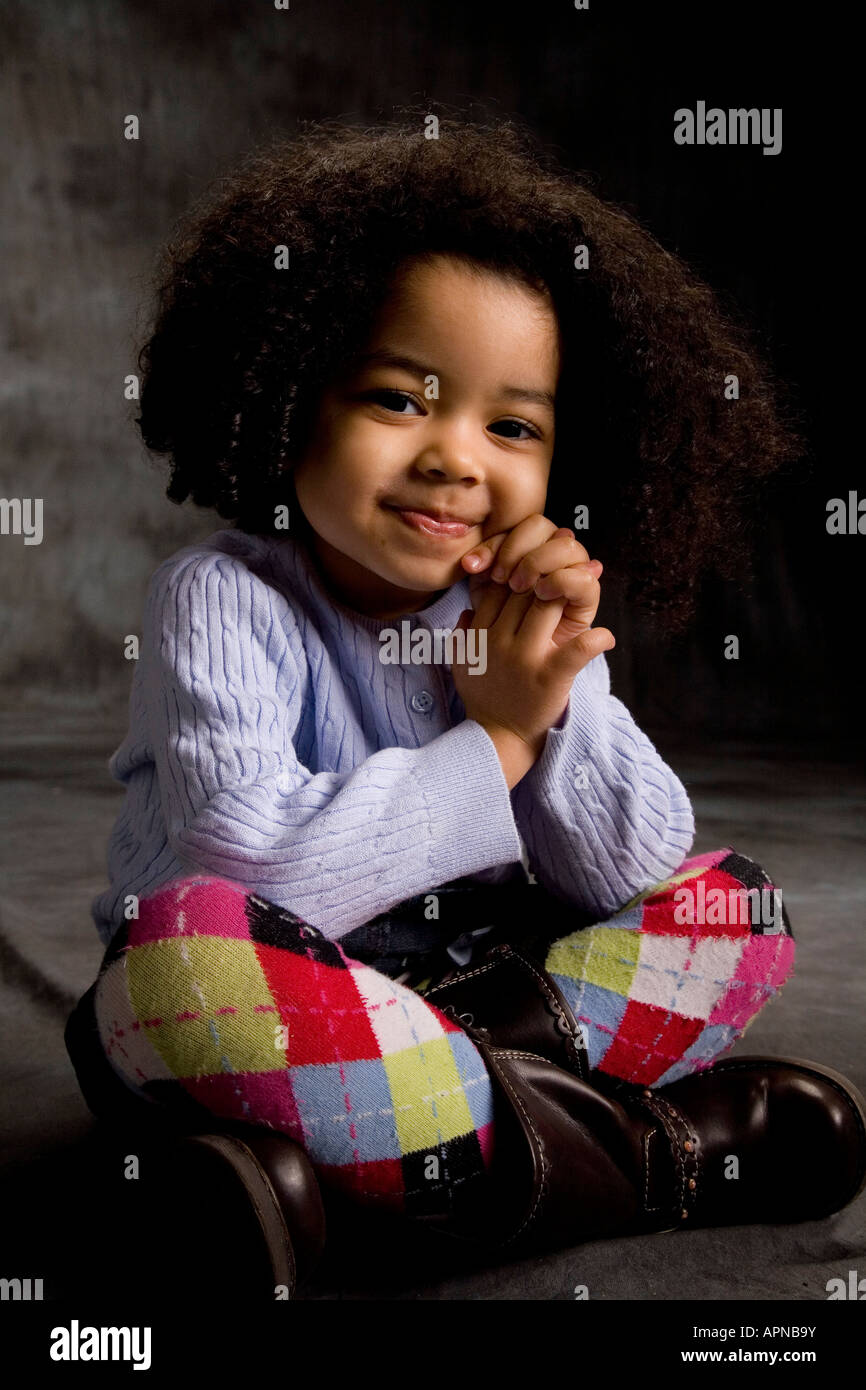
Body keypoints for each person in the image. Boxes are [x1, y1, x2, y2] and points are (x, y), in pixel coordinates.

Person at [69, 111, 866, 1273]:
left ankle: (369, 1176)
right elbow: (248, 873)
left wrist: (552, 699)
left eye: (511, 425)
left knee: (731, 910)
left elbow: (637, 867)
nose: (457, 456)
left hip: (492, 1000)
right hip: (258, 1012)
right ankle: (654, 1157)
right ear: (292, 394)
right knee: (180, 958)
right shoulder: (223, 595)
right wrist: (491, 738)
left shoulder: (505, 611)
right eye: (399, 399)